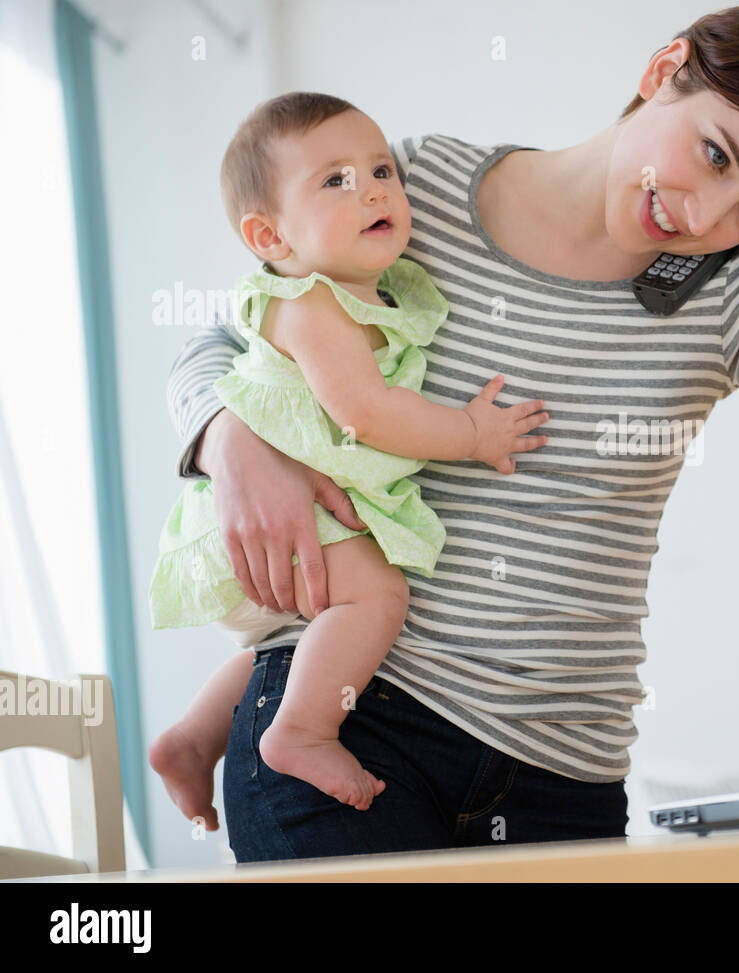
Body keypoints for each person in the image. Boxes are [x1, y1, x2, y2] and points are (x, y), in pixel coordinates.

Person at [162, 0, 739, 861]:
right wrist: (228, 441)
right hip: (347, 721)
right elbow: (232, 335)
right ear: (662, 69)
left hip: (562, 779)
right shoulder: (422, 189)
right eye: (715, 154)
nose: (706, 217)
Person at [147, 94, 548, 825]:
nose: (370, 189)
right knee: (377, 599)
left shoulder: (364, 296)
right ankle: (301, 730)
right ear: (269, 235)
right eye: (333, 180)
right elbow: (366, 410)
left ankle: (194, 736)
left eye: (380, 169)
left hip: (293, 523)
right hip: (269, 515)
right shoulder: (312, 305)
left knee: (311, 641)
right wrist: (470, 432)